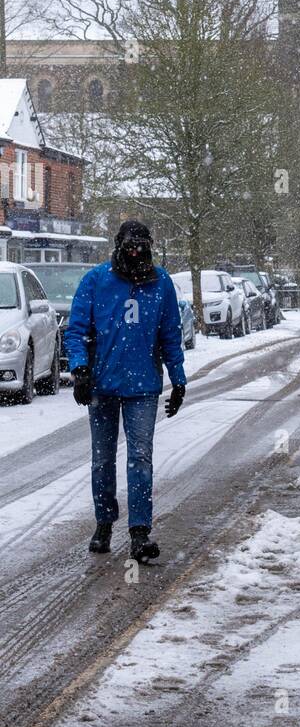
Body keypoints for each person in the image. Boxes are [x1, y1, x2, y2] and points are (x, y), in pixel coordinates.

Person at [65, 220, 187, 564]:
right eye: (130, 247)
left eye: (142, 247)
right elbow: (76, 330)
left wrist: (178, 379)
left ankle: (139, 532)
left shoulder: (160, 282)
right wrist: (81, 369)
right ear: (119, 247)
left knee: (140, 458)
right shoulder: (96, 281)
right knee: (103, 459)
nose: (136, 254)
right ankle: (104, 522)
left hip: (143, 387)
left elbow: (170, 336)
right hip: (102, 386)